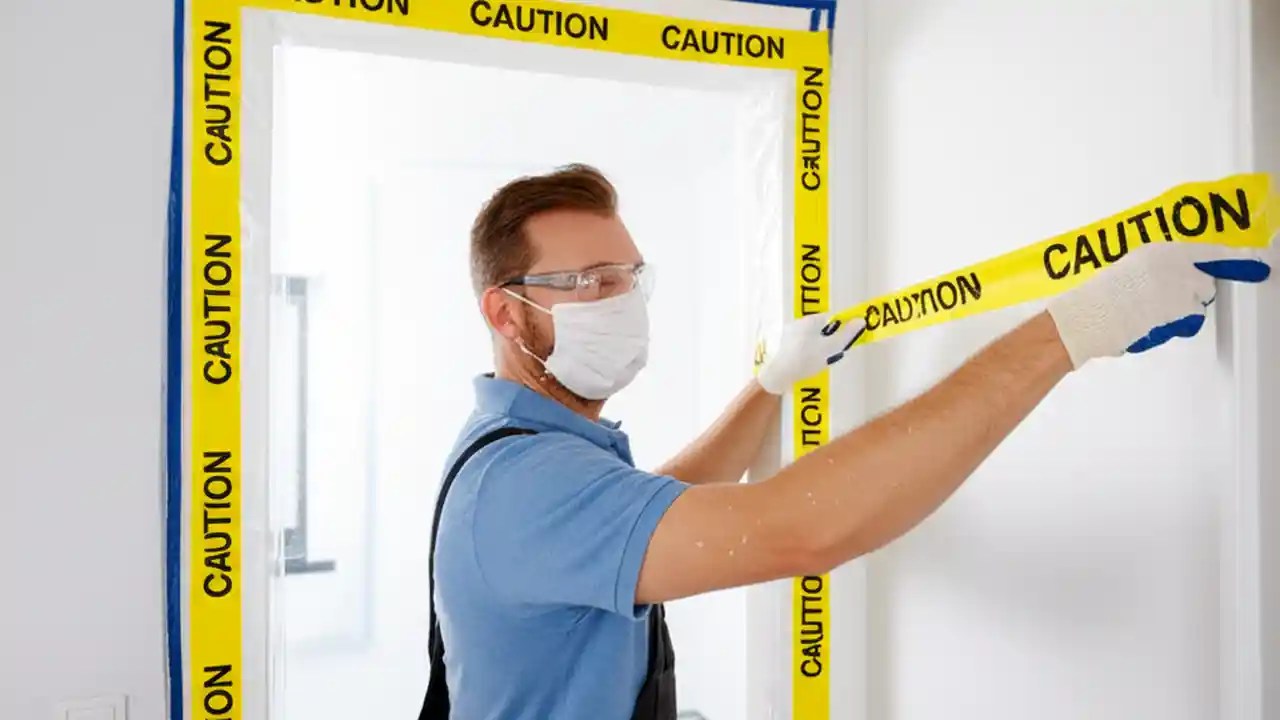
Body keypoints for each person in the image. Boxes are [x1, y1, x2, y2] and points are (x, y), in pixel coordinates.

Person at [422, 164, 1271, 720]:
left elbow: (665, 508)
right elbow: (804, 529)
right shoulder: (526, 483)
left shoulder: (536, 452)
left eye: (631, 278)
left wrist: (770, 383)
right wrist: (1077, 327)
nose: (623, 301)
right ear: (506, 313)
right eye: (591, 282)